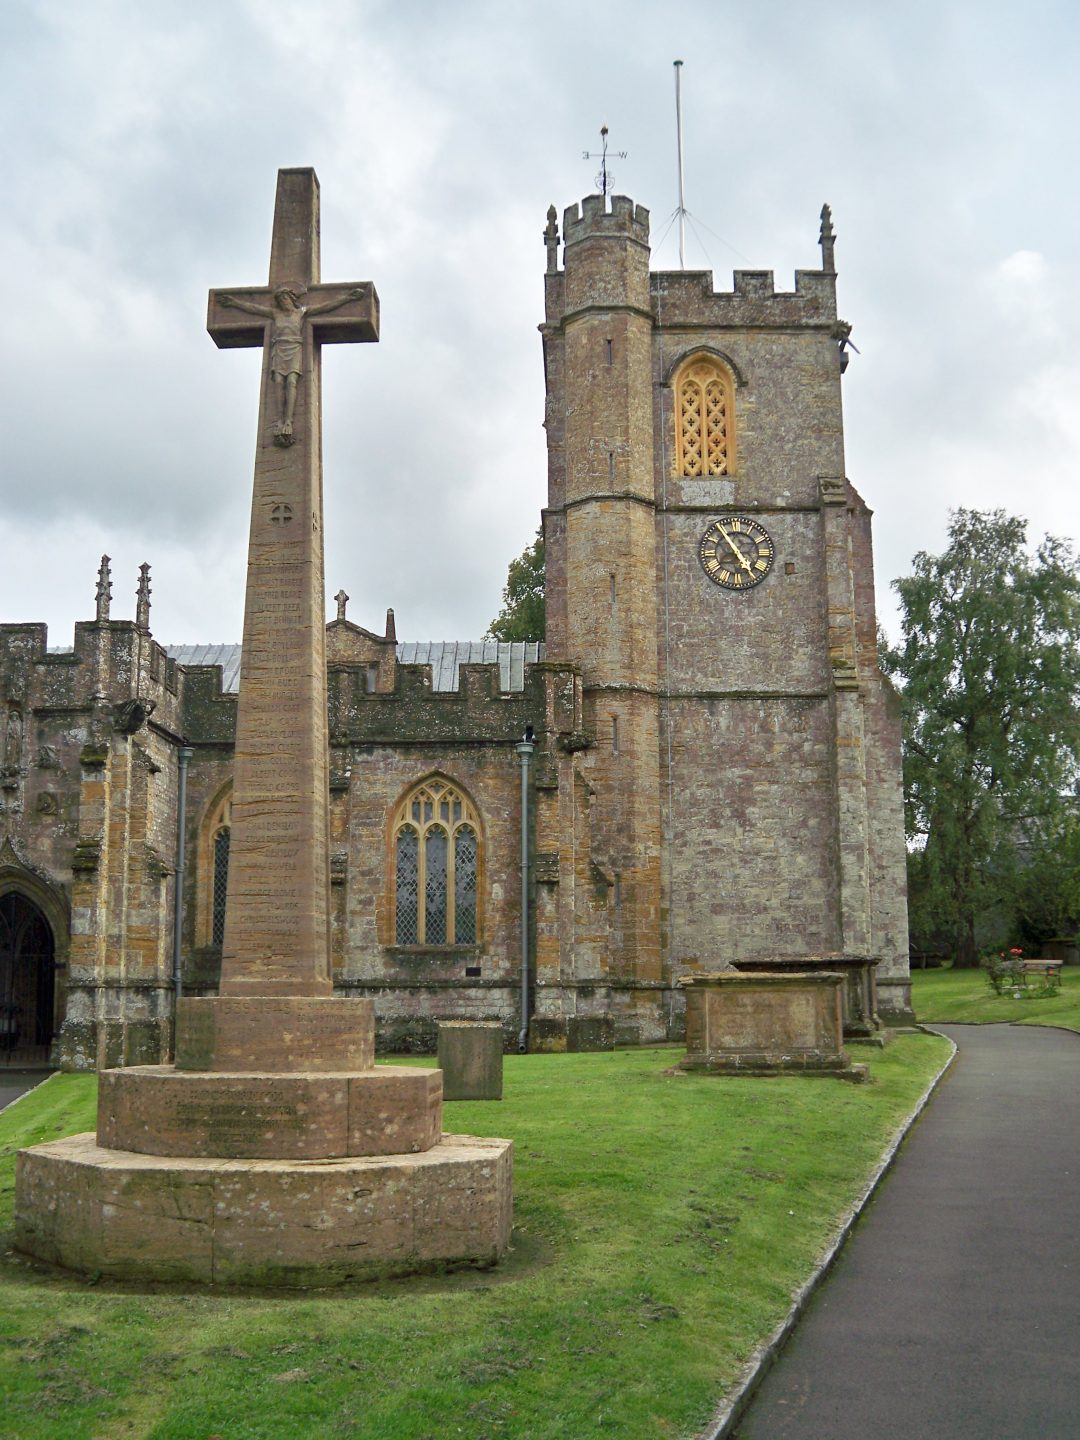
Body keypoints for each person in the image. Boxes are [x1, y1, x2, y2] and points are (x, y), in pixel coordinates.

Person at [218, 285, 365, 443]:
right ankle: (280, 419)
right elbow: (253, 308)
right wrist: (233, 302)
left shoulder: (301, 313)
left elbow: (325, 307)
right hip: (279, 348)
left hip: (294, 348)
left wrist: (348, 298)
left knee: (292, 381)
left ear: (291, 299)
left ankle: (288, 420)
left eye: (285, 298)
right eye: (280, 300)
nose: (283, 302)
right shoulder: (275, 313)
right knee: (278, 382)